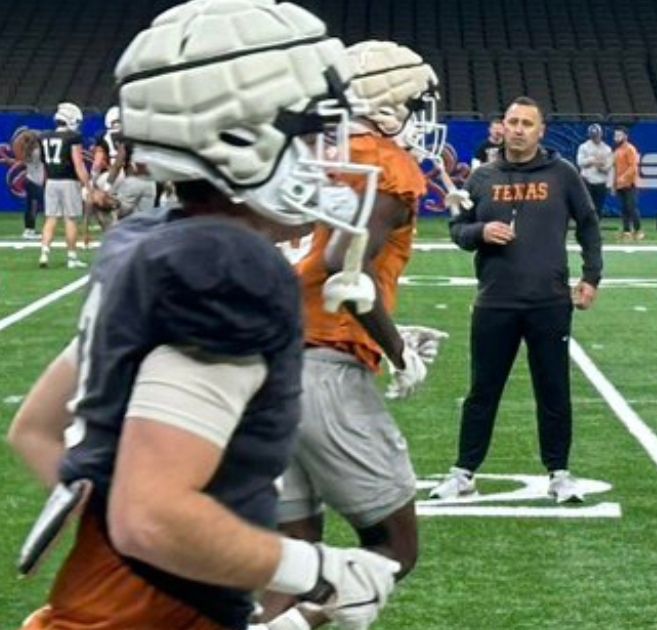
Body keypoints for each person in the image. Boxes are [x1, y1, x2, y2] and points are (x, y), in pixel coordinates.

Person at [6, 2, 405, 629]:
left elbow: (33, 429)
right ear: (240, 139)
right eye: (308, 133)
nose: (329, 155)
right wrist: (315, 571)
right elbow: (151, 516)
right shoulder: (226, 270)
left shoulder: (147, 242)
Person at [258, 39, 444, 630]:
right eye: (417, 101)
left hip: (263, 368)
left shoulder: (302, 154)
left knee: (295, 565)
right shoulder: (386, 164)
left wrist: (376, 325)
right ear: (389, 97)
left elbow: (299, 260)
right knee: (394, 549)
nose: (420, 115)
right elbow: (346, 262)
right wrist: (396, 348)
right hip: (322, 372)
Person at [430, 96, 603, 503]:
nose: (520, 129)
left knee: (553, 389)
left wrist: (591, 276)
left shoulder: (562, 173)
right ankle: (464, 472)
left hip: (549, 300)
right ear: (501, 127)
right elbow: (457, 230)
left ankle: (559, 473)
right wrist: (480, 232)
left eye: (528, 123)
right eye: (513, 121)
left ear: (541, 131)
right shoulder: (483, 177)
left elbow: (589, 224)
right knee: (482, 390)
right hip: (495, 301)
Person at [37, 102, 89, 269]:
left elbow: (44, 162)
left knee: (50, 218)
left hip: (51, 181)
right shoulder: (73, 137)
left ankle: (44, 254)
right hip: (68, 181)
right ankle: (72, 257)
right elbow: (78, 164)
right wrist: (87, 184)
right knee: (70, 219)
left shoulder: (44, 136)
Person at [576, 123, 612, 218]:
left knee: (598, 207)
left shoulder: (606, 149)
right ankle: (585, 227)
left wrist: (600, 166)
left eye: (596, 135)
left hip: (600, 181)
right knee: (586, 206)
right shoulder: (583, 147)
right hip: (587, 180)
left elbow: (608, 166)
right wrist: (592, 160)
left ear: (601, 134)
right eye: (593, 135)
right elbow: (580, 162)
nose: (595, 137)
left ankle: (595, 228)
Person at [613, 126, 641, 240]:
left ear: (625, 136)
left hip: (631, 184)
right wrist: (614, 184)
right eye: (615, 135)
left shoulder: (630, 149)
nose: (616, 138)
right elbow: (615, 169)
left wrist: (623, 178)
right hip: (620, 185)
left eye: (619, 135)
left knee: (631, 207)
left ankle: (638, 230)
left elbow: (633, 167)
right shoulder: (617, 151)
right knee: (624, 208)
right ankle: (627, 231)